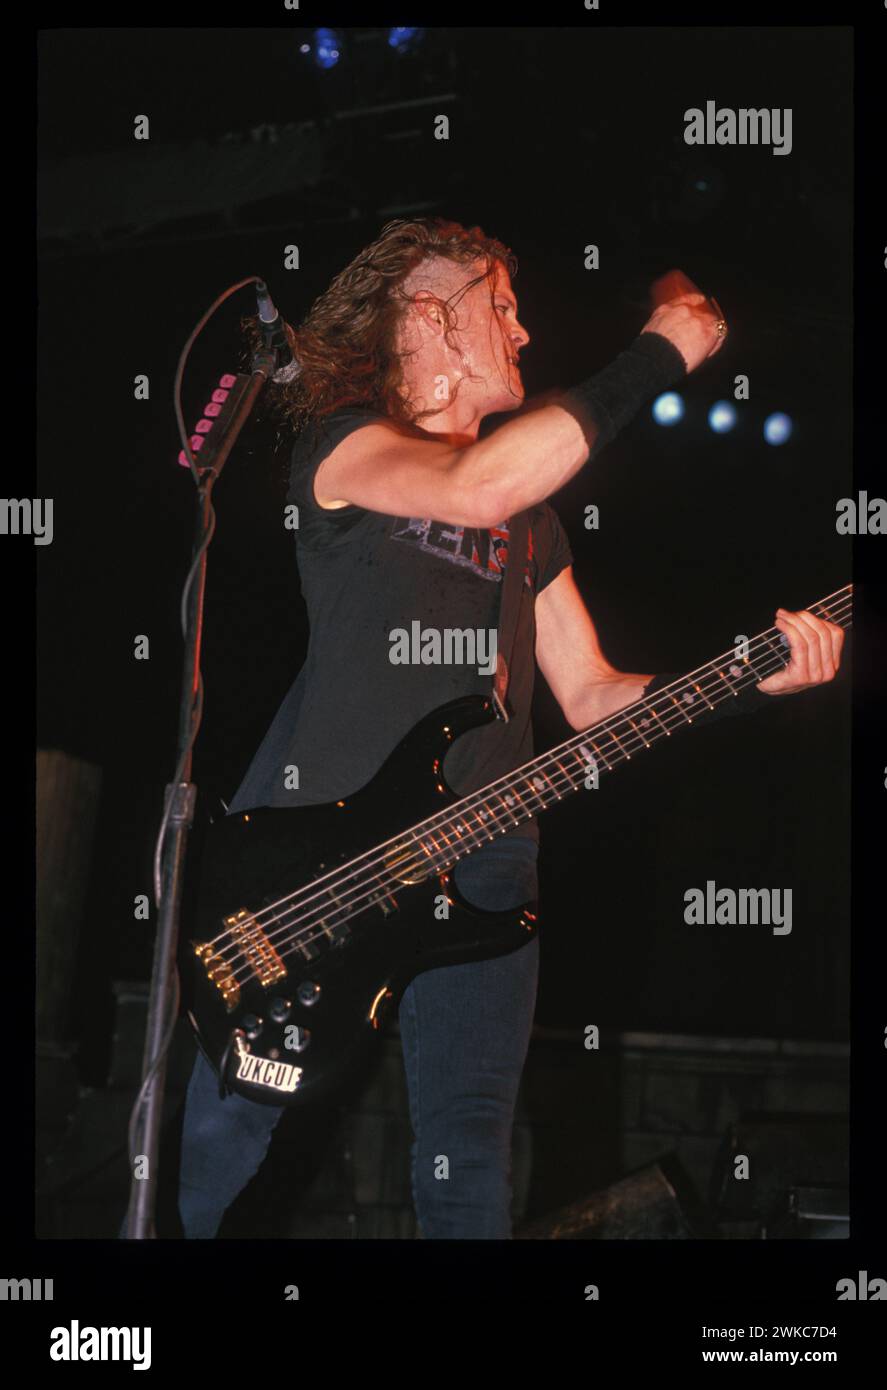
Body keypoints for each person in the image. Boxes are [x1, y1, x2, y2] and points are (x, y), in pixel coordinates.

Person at [173, 217, 845, 1240]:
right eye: (500, 304)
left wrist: (755, 675)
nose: (523, 331)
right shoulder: (348, 447)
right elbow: (474, 483)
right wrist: (656, 353)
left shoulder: (529, 524)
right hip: (318, 862)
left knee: (469, 1154)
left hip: (485, 864)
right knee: (236, 1133)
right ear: (429, 315)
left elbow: (593, 697)